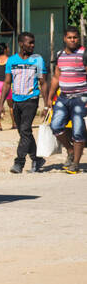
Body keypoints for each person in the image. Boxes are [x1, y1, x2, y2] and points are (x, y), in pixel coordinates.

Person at [0, 32, 47, 174]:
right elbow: (7, 83)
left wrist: (47, 104)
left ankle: (19, 163)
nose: (32, 45)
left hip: (31, 100)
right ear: (21, 44)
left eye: (33, 42)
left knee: (25, 130)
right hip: (16, 101)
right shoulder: (12, 61)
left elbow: (43, 82)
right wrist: (1, 104)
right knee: (23, 132)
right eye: (29, 43)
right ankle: (37, 159)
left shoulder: (37, 60)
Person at [48, 27, 87, 174]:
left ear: (78, 38)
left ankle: (75, 164)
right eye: (70, 37)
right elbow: (56, 77)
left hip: (81, 98)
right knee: (55, 126)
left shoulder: (84, 54)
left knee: (78, 130)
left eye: (75, 37)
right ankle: (70, 150)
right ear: (64, 38)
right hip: (63, 97)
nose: (72, 40)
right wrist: (49, 97)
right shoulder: (60, 55)